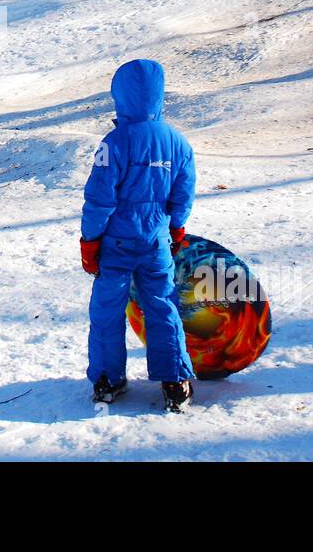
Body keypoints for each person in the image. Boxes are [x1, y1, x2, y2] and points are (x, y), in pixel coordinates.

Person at [80, 59, 197, 413]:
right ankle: (175, 381)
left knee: (107, 310)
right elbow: (184, 191)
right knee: (162, 306)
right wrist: (176, 226)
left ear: (121, 95)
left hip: (116, 244)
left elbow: (100, 198)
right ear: (158, 95)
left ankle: (107, 379)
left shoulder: (113, 143)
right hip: (156, 241)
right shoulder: (177, 142)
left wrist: (90, 242)